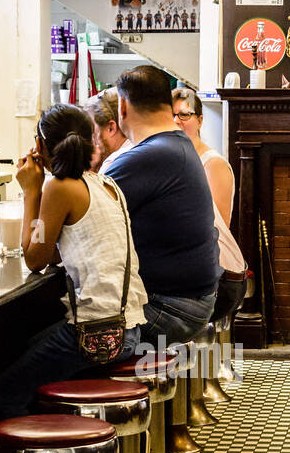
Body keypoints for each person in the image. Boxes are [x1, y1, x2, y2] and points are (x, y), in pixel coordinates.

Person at [0, 105, 148, 420]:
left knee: (2, 393)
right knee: (27, 347)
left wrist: (31, 192)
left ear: (41, 146)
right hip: (128, 328)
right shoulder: (105, 184)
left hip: (96, 335)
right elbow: (60, 250)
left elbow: (35, 258)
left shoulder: (59, 187)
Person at [106, 66, 221, 348]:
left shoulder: (149, 155)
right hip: (195, 300)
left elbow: (81, 220)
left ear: (122, 106)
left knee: (27, 355)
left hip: (169, 308)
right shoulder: (177, 144)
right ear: (169, 107)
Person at [172, 87, 247, 325]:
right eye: (171, 115)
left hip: (218, 271)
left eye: (185, 115)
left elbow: (215, 228)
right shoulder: (174, 160)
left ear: (200, 120)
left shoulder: (212, 164)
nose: (177, 121)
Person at [84, 88, 133, 175]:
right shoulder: (139, 146)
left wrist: (90, 170)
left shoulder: (113, 163)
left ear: (111, 128)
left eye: (93, 129)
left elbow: (92, 189)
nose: (91, 138)